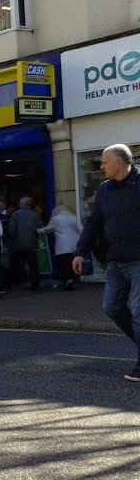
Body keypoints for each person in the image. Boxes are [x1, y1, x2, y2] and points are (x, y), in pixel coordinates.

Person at [72, 144, 140, 382]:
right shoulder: (105, 190)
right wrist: (80, 252)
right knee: (112, 308)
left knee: (139, 313)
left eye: (104, 162)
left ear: (119, 163)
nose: (101, 167)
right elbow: (93, 224)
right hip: (115, 262)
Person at [38, 204, 83, 291]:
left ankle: (67, 280)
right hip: (75, 244)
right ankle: (73, 279)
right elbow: (81, 230)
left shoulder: (55, 219)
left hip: (63, 246)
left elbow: (46, 230)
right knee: (72, 264)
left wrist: (36, 231)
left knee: (63, 265)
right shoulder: (73, 217)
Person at [8, 196, 44, 291]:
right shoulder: (35, 215)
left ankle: (11, 285)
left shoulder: (15, 215)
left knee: (14, 265)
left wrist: (10, 239)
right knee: (33, 265)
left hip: (17, 244)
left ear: (21, 204)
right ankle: (35, 285)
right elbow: (40, 229)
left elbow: (11, 230)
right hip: (31, 244)